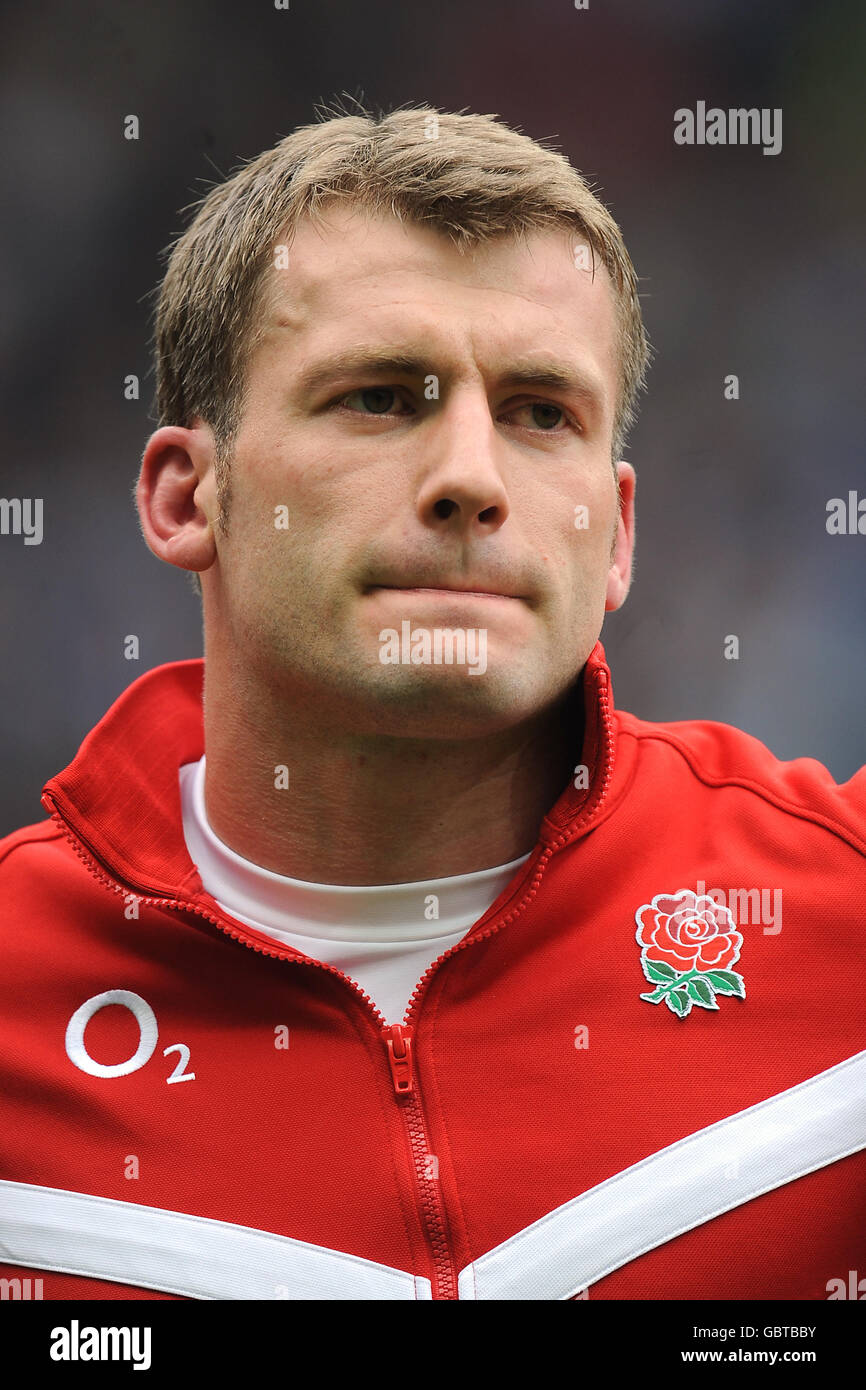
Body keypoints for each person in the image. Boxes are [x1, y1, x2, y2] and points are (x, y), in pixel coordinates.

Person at [0, 104, 863, 1302]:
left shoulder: (842, 911)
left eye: (538, 414)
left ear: (616, 534)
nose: (469, 478)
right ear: (186, 497)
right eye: (380, 398)